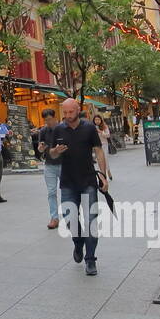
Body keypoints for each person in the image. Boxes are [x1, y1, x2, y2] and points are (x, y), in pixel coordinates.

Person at [49, 98, 109, 276]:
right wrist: (55, 151)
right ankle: (78, 242)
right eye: (65, 113)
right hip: (67, 182)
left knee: (91, 222)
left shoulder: (89, 128)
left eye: (71, 112)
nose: (67, 116)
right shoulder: (59, 129)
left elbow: (98, 150)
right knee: (70, 219)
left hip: (88, 180)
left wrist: (103, 175)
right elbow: (51, 154)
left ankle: (90, 259)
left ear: (78, 110)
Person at [37, 108, 62, 229]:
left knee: (68, 191)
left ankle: (71, 214)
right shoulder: (43, 130)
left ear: (54, 117)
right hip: (49, 165)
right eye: (46, 120)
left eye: (50, 119)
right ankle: (54, 218)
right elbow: (40, 148)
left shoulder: (63, 128)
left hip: (64, 164)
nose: (48, 122)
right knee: (51, 192)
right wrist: (41, 148)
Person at [92, 115, 114, 180]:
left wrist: (100, 132)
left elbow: (108, 135)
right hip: (97, 145)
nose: (97, 121)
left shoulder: (104, 126)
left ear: (101, 120)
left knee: (105, 159)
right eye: (95, 120)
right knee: (99, 160)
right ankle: (102, 175)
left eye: (98, 119)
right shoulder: (92, 127)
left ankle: (108, 172)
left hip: (104, 145)